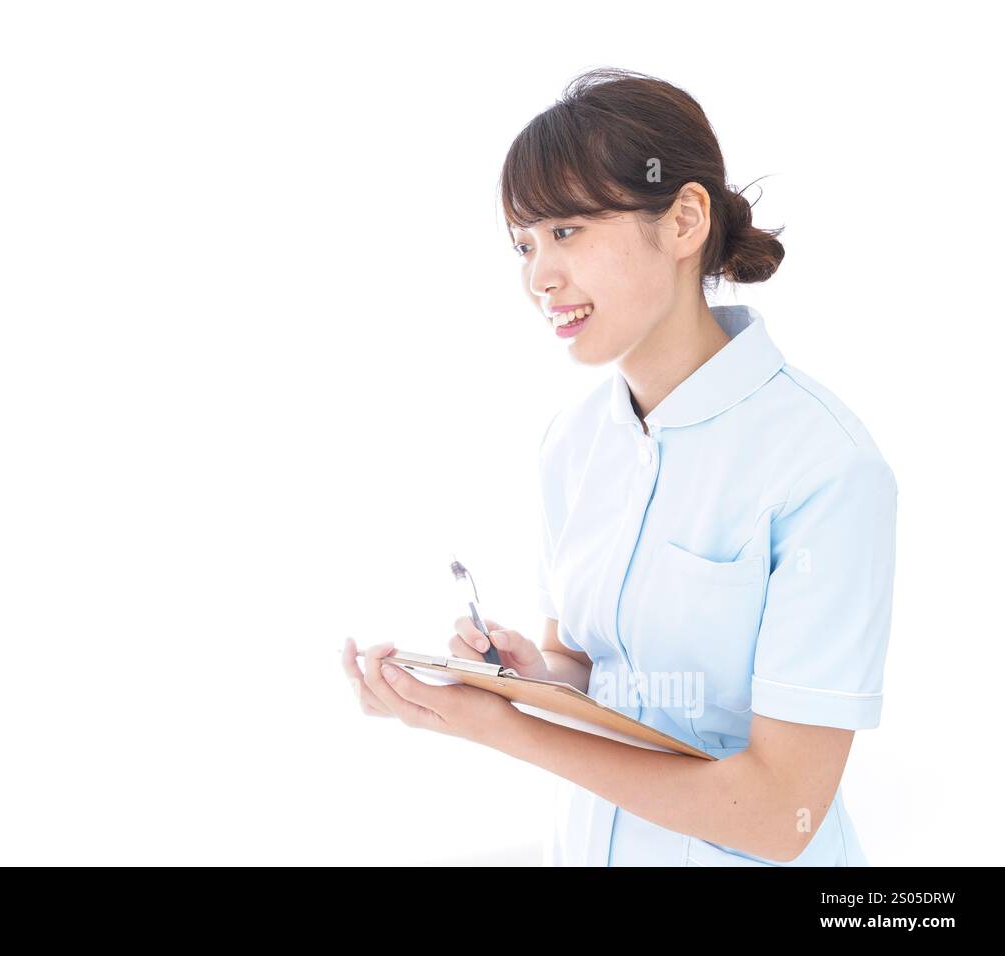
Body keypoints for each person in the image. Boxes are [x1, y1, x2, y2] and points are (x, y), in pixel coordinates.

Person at [339, 67, 897, 866]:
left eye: (567, 232)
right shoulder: (574, 442)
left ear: (684, 220)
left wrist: (511, 730)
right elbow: (595, 664)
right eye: (524, 244)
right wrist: (533, 676)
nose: (539, 277)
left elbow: (786, 817)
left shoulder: (826, 467)